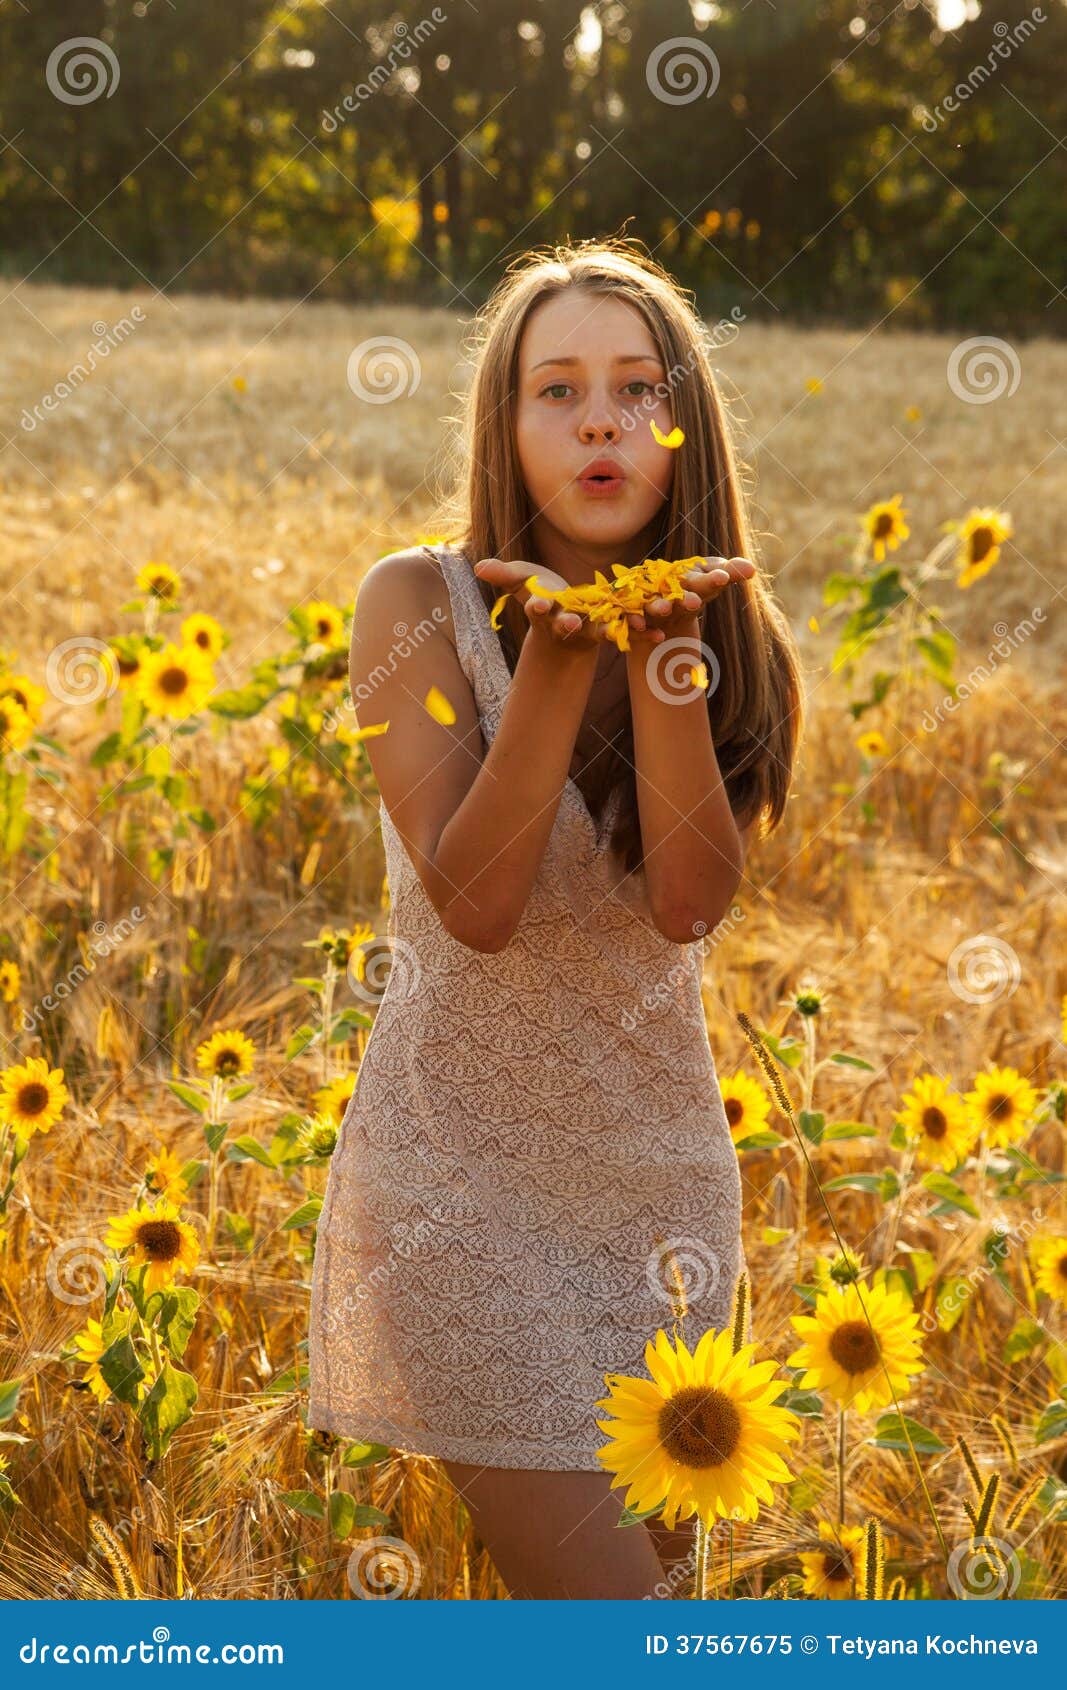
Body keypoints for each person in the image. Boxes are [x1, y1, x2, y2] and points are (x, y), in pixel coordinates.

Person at [307, 238, 804, 1599]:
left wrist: (660, 665)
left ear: (684, 426)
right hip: (455, 1194)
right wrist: (556, 662)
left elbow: (688, 903)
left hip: (660, 1198)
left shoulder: (722, 629)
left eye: (640, 387)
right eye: (557, 389)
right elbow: (476, 902)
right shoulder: (412, 606)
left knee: (655, 1616)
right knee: (616, 1625)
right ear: (503, 424)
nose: (599, 418)